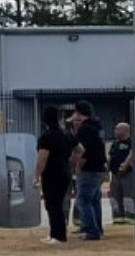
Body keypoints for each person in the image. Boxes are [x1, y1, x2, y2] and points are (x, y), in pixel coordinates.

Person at [69, 99, 107, 241]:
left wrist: (74, 165)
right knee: (94, 200)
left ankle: (91, 230)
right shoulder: (97, 127)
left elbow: (81, 150)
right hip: (99, 167)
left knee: (84, 200)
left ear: (78, 113)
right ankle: (96, 227)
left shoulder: (85, 129)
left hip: (89, 168)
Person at [36, 105, 75, 245]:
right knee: (56, 204)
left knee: (53, 205)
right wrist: (71, 163)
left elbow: (42, 158)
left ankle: (58, 236)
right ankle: (55, 233)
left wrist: (36, 175)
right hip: (64, 172)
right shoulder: (65, 135)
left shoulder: (46, 137)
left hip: (51, 174)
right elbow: (80, 149)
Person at [108, 122, 135, 224]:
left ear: (125, 130)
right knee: (115, 197)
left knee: (129, 196)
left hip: (127, 173)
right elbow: (111, 156)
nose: (115, 131)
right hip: (115, 174)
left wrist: (125, 165)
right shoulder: (115, 144)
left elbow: (133, 154)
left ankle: (131, 217)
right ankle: (117, 218)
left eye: (117, 129)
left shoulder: (133, 142)